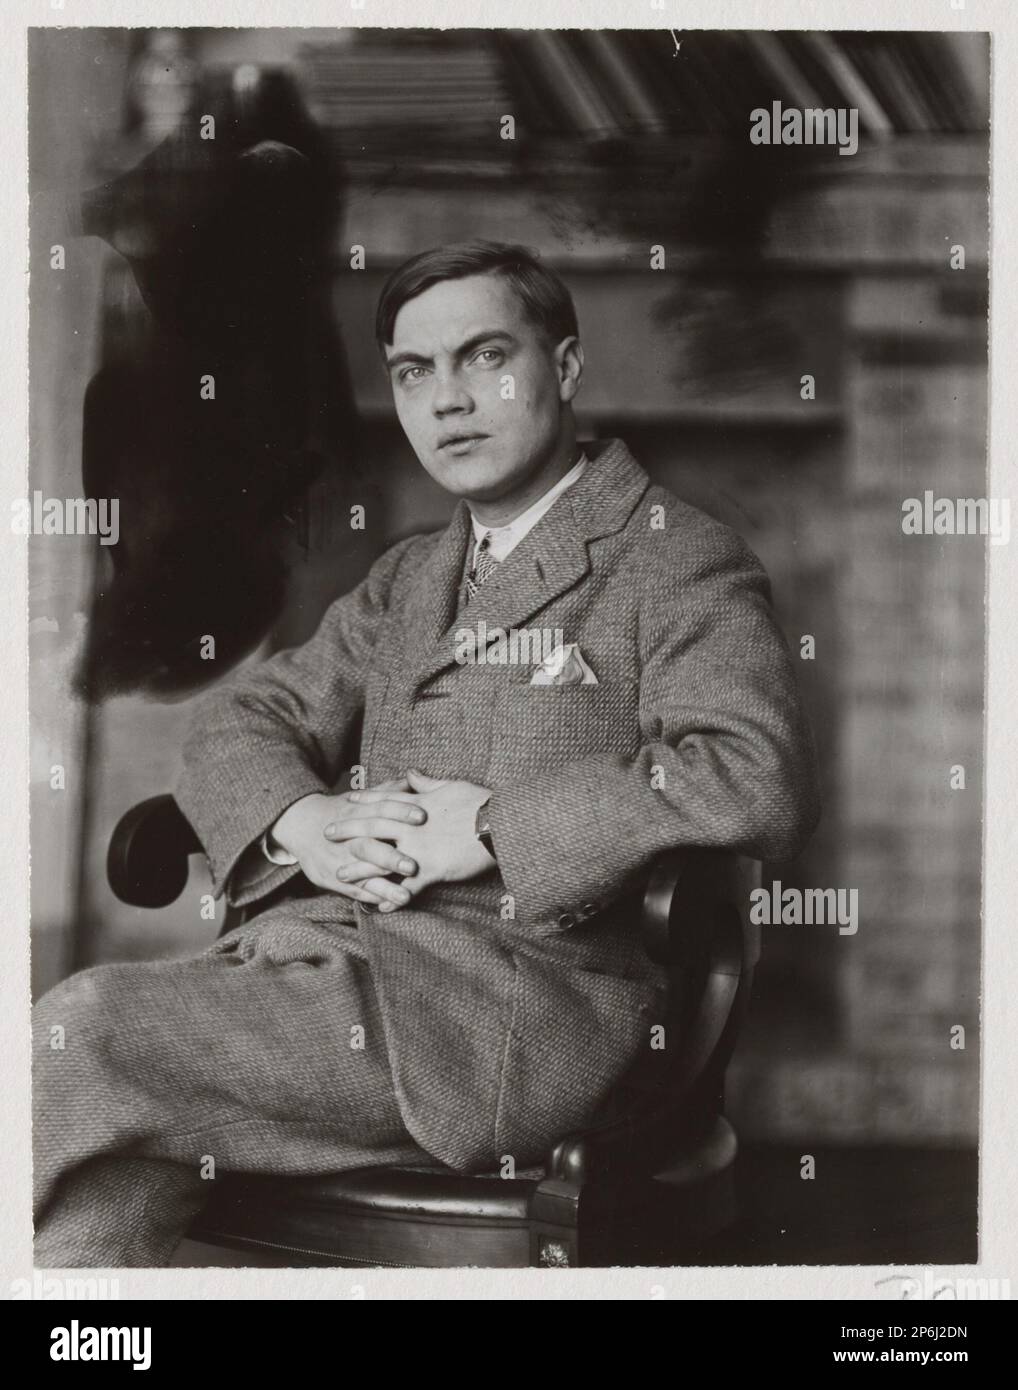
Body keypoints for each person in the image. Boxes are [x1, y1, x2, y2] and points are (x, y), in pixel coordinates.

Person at [32, 240, 820, 1267]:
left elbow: (750, 775)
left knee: (81, 1031)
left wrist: (493, 827)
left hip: (513, 1013)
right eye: (414, 371)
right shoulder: (411, 577)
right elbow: (241, 720)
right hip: (331, 976)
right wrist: (302, 823)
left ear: (567, 367)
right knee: (98, 1183)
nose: (447, 400)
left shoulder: (672, 556)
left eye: (485, 357)